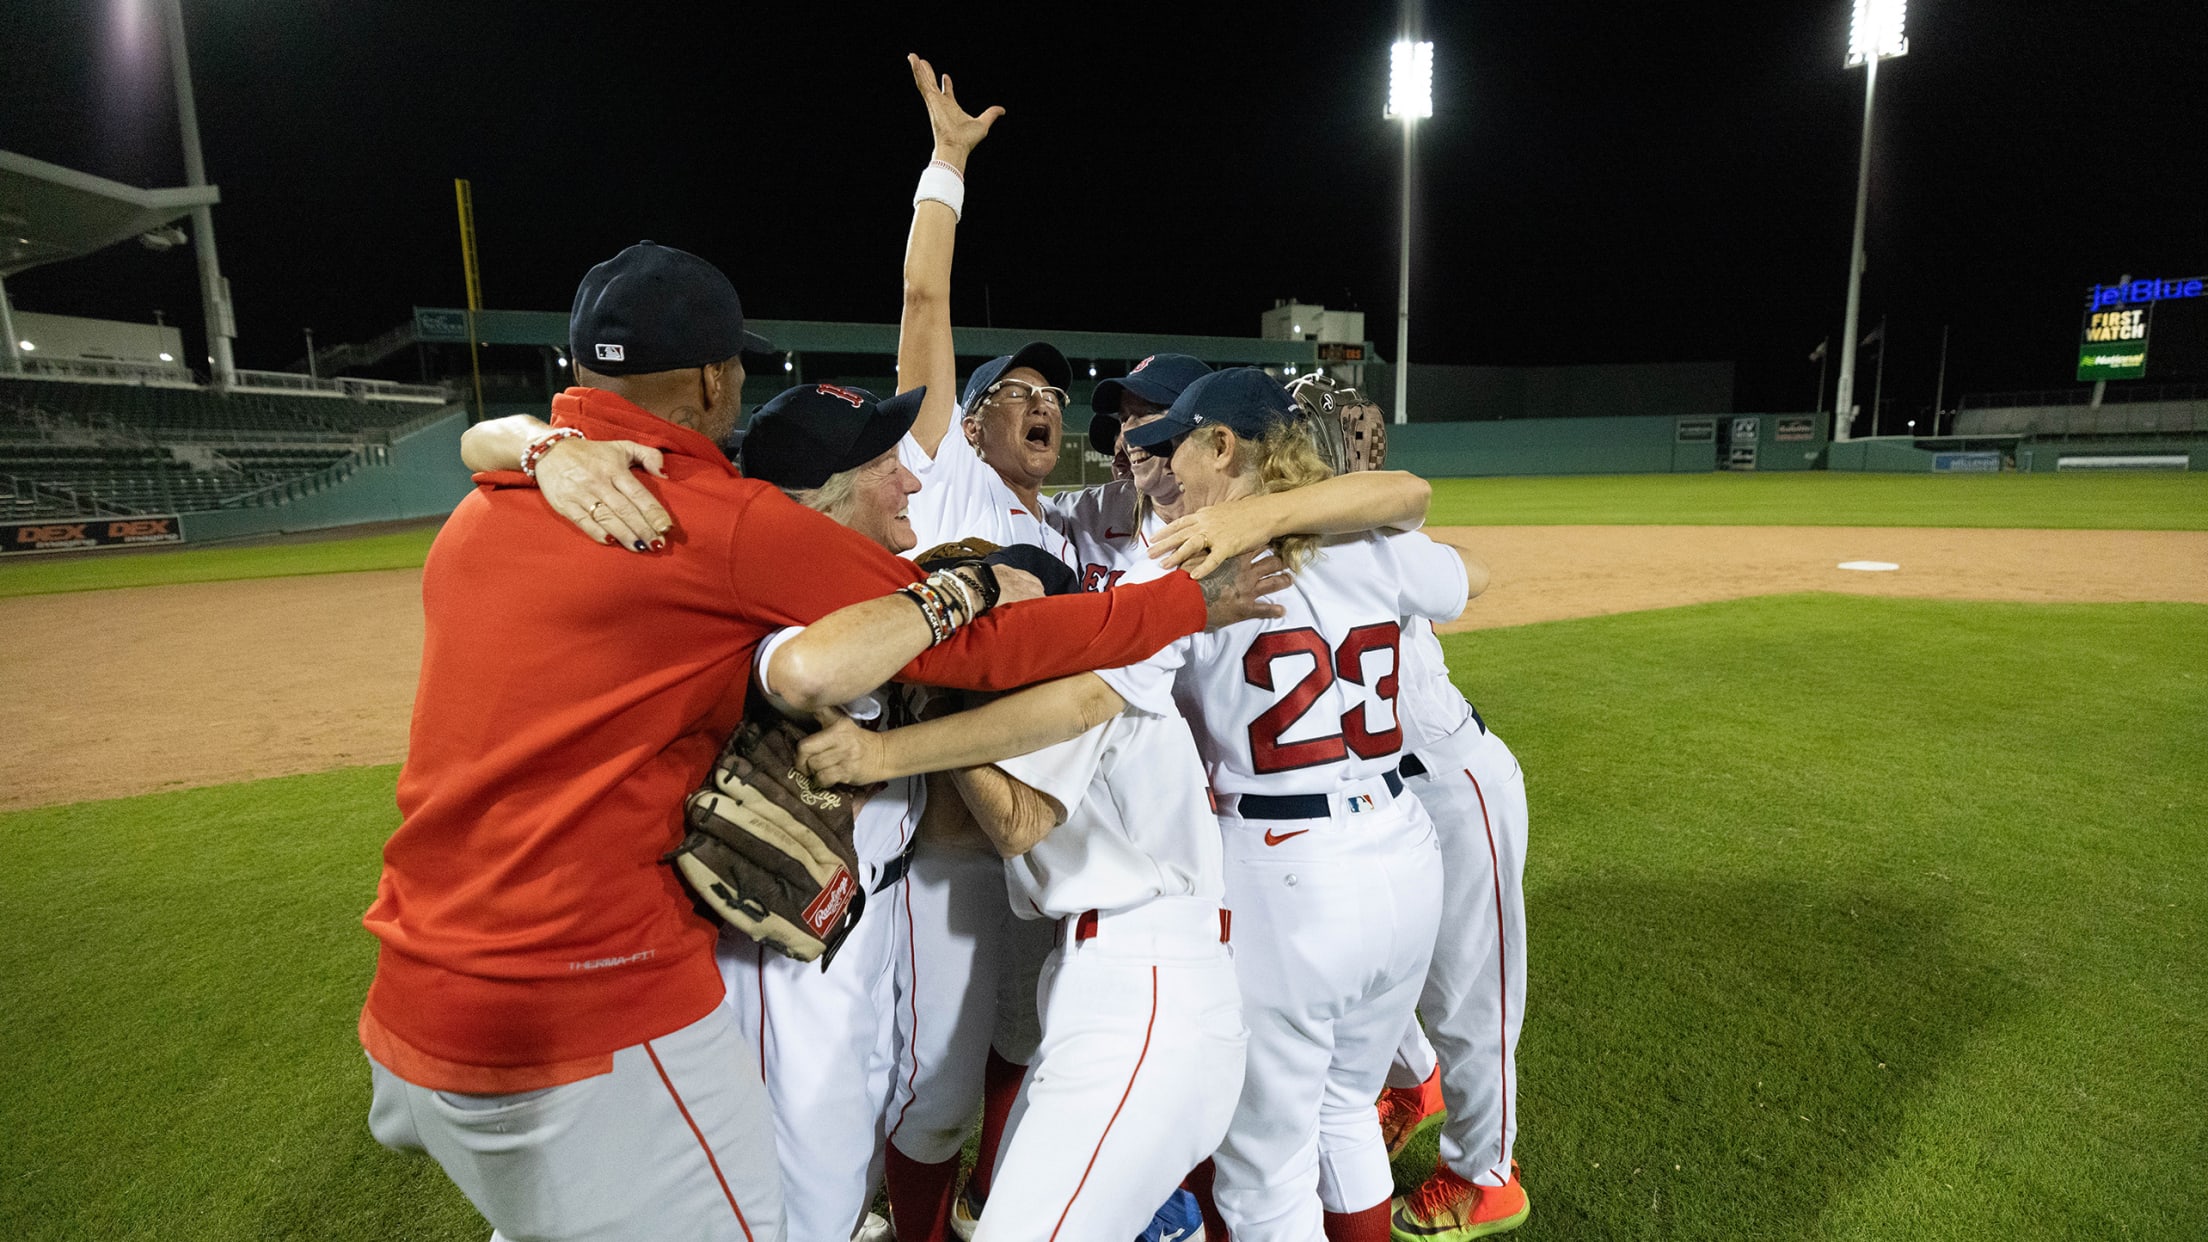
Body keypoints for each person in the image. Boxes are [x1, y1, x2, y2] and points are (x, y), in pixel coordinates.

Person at [361, 240, 1243, 1242]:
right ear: (712, 376)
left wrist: (530, 440)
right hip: (587, 991)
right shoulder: (723, 526)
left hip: (415, 991)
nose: (907, 482)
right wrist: (1165, 603)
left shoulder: (489, 510)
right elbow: (958, 652)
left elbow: (500, 444)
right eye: (880, 464)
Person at [1118, 368, 1487, 1242]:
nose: (1165, 461)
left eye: (1179, 442)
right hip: (1401, 851)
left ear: (1225, 445)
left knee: (1263, 1173)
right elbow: (1467, 582)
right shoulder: (1376, 542)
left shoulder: (1178, 555)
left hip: (1282, 872)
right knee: (1346, 1111)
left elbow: (1106, 688)